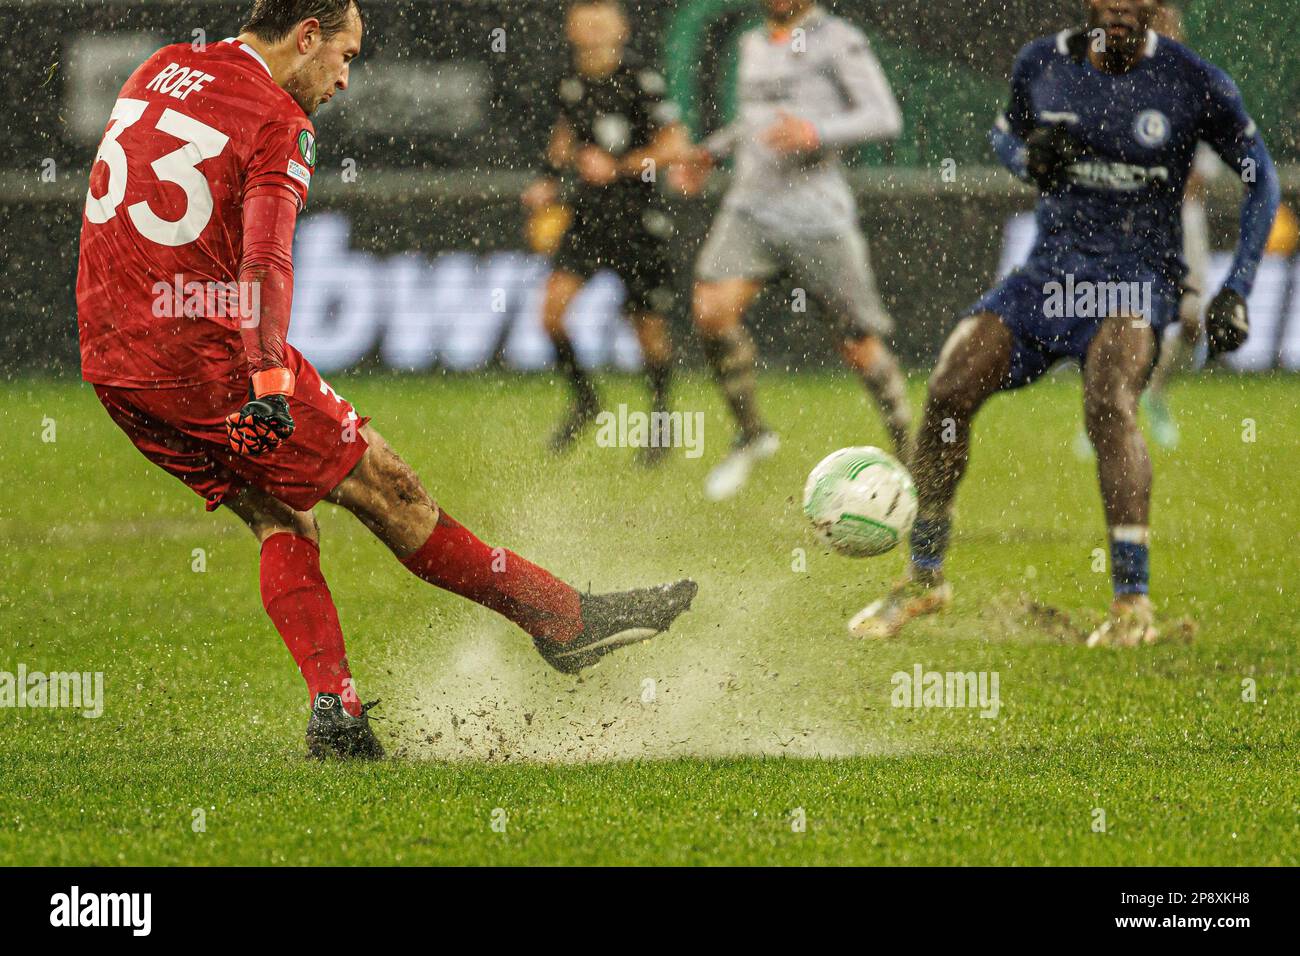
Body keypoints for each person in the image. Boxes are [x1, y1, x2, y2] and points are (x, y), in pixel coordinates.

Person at [77, 0, 697, 761]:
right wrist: (270, 378)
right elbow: (265, 261)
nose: (344, 79)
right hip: (208, 360)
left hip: (115, 364)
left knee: (281, 517)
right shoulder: (278, 119)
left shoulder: (160, 66)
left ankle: (335, 712)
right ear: (306, 37)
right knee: (390, 491)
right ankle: (563, 619)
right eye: (345, 55)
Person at [850, 0, 1279, 647]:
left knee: (1109, 402)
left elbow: (1261, 179)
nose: (1119, 12)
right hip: (1047, 276)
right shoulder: (1042, 62)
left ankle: (1131, 604)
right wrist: (1029, 162)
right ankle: (925, 576)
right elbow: (1004, 134)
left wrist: (1238, 286)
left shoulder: (1193, 80)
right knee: (947, 389)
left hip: (1137, 276)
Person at [672, 0, 910, 500]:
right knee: (711, 311)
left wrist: (816, 131)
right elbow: (754, 123)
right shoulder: (754, 42)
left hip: (815, 216)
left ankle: (914, 460)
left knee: (859, 346)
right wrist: (711, 152)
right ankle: (752, 434)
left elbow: (884, 117)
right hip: (751, 208)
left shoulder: (838, 39)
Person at [522, 0, 691, 462]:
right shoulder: (568, 82)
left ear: (620, 28)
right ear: (572, 29)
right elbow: (564, 139)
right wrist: (547, 181)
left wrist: (619, 167)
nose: (592, 31)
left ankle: (660, 423)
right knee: (550, 316)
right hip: (587, 219)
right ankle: (586, 401)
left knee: (648, 331)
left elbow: (677, 146)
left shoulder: (641, 79)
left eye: (602, 22)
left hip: (637, 222)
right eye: (584, 22)